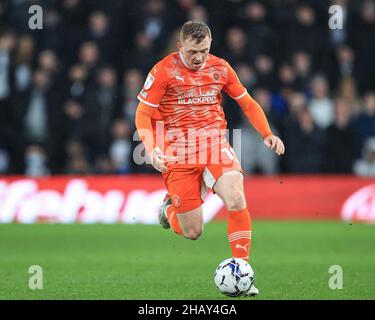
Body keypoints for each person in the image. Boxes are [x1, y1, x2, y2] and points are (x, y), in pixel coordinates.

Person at [135, 21, 285, 296]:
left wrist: (266, 132)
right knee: (193, 231)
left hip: (214, 145)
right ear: (180, 46)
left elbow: (247, 102)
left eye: (204, 50)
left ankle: (242, 273)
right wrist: (151, 146)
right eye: (193, 51)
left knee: (237, 198)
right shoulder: (163, 71)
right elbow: (143, 114)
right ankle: (168, 210)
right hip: (177, 152)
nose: (198, 57)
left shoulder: (221, 67)